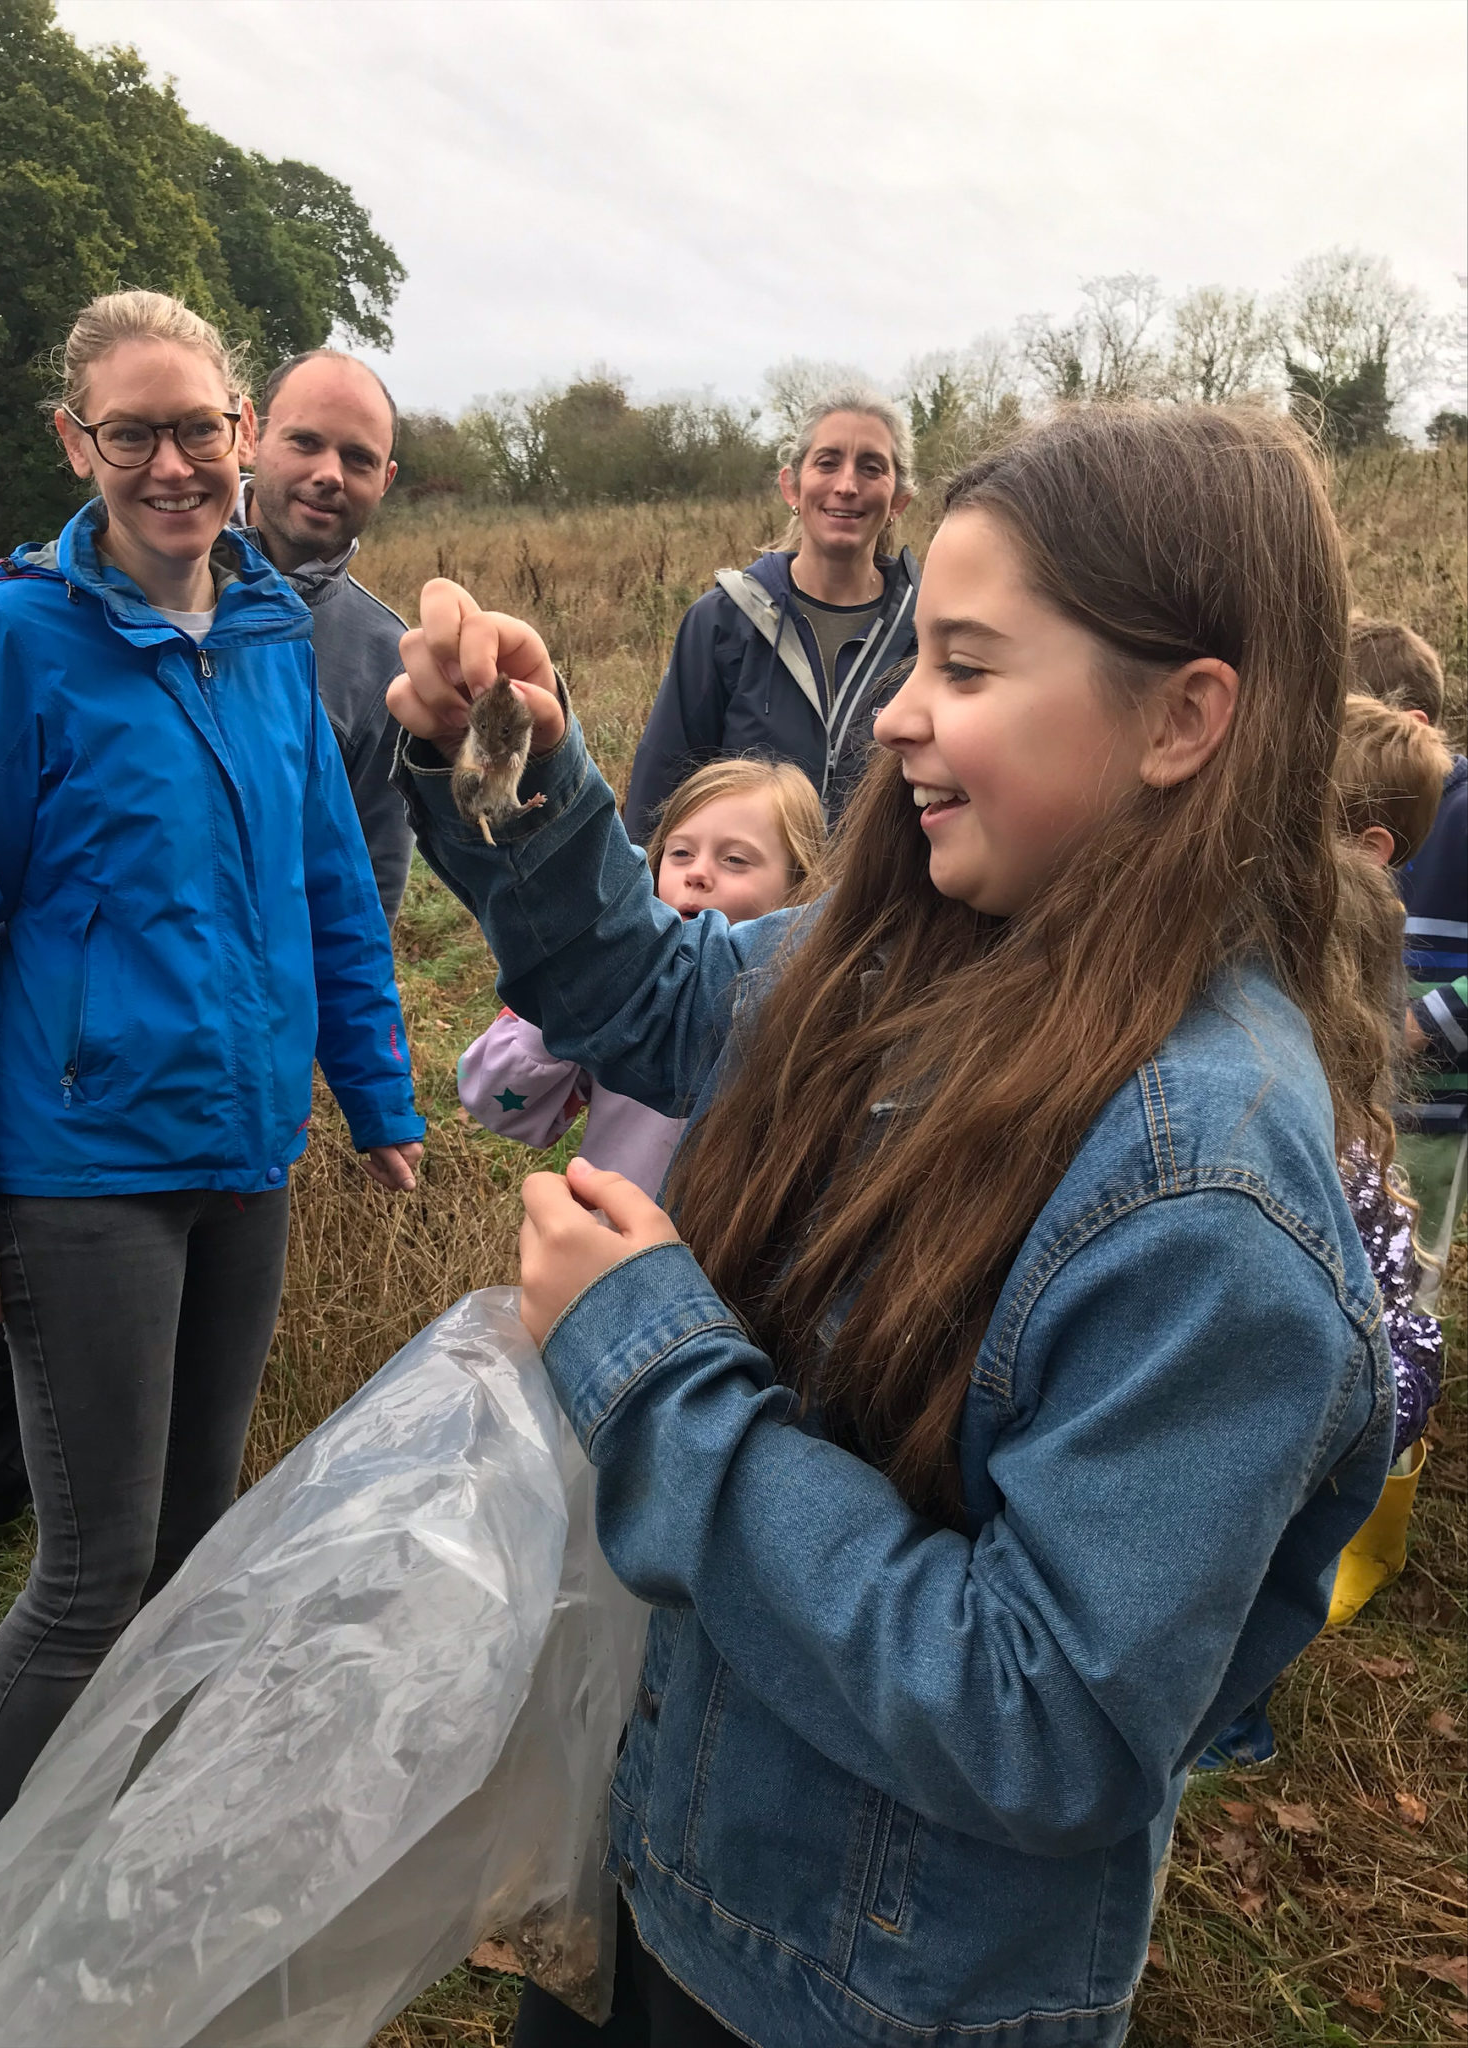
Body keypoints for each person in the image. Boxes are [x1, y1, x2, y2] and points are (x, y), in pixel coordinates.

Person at [388, 404, 1394, 2048]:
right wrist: (505, 762)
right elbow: (644, 990)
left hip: (868, 1996)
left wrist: (645, 1362)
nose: (899, 718)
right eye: (915, 657)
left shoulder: (1208, 1196)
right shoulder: (919, 952)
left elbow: (1040, 1712)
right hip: (667, 1856)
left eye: (971, 669)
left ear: (1181, 719)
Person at [0, 289, 425, 1882]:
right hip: (77, 1170)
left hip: (243, 1149)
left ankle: (108, 1862)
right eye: (130, 434)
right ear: (78, 442)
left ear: (236, 435)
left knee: (197, 1549)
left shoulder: (275, 633)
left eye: (196, 428)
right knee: (89, 1574)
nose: (170, 465)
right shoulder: (10, 640)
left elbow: (331, 882)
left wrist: (379, 1092)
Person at [1197, 694, 1449, 1769]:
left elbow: (1376, 1306)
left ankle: (1236, 1723)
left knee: (1243, 1558)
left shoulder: (1321, 1014)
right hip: (1328, 1365)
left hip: (1324, 1380)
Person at [459, 759, 824, 1198]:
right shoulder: (624, 984)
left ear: (799, 886)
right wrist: (565, 999)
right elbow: (496, 1105)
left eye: (735, 859)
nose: (697, 873)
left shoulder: (812, 1010)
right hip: (607, 1250)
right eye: (681, 853)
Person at [621, 384, 919, 842]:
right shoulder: (719, 622)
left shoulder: (926, 634)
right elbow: (658, 795)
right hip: (744, 913)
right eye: (827, 462)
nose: (846, 485)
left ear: (899, 498)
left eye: (871, 467)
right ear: (791, 486)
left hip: (878, 911)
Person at [237, 348, 416, 926]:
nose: (329, 474)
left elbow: (367, 887)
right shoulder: (139, 575)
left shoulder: (387, 658)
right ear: (250, 434)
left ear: (385, 480)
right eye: (305, 442)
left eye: (358, 458)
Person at [1347, 615, 1466, 1298]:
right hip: (1358, 1103)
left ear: (1409, 726)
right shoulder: (1355, 809)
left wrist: (1430, 1022)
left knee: (1407, 1271)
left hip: (1431, 1117)